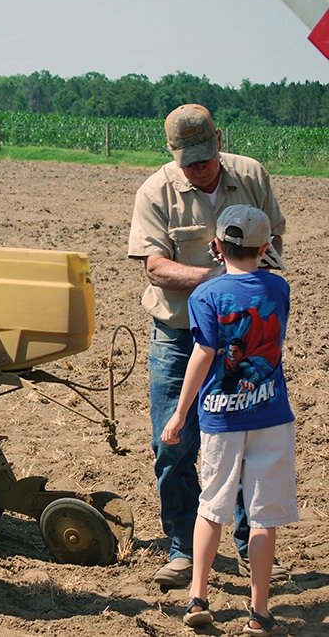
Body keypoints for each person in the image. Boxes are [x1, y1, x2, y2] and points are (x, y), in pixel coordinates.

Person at [127, 104, 288, 587]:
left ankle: (247, 550)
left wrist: (251, 279)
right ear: (173, 153)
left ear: (219, 140)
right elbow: (155, 268)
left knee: (240, 441)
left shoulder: (251, 176)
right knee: (172, 442)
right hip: (178, 336)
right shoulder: (156, 191)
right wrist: (221, 283)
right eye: (188, 161)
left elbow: (273, 236)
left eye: (205, 157)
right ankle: (181, 549)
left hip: (243, 338)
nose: (198, 169)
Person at [161, 204, 296, 635]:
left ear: (217, 247)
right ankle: (259, 612)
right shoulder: (278, 289)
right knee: (262, 517)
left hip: (221, 416)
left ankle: (198, 596)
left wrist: (180, 412)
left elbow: (203, 354)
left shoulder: (206, 296)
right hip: (271, 417)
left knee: (212, 506)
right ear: (265, 246)